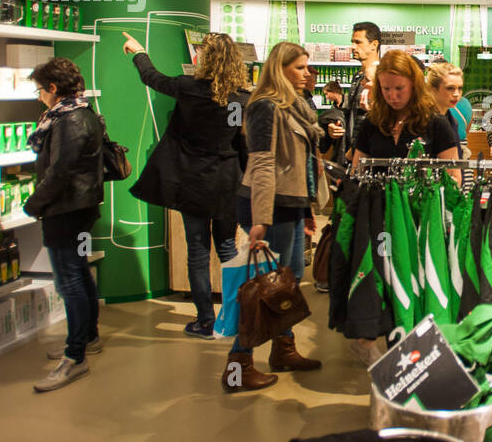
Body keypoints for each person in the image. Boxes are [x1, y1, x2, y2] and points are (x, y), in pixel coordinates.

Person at [123, 31, 249, 340]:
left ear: (204, 60)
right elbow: (241, 142)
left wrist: (139, 52)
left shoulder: (189, 88)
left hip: (192, 181)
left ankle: (205, 320)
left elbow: (152, 78)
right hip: (227, 180)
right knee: (228, 247)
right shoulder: (241, 99)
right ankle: (233, 318)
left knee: (197, 250)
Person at [350, 51, 461, 365]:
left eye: (399, 88)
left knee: (418, 281)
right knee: (384, 278)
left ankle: (418, 355)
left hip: (421, 221)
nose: (392, 95)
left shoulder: (436, 124)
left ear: (414, 85)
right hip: (379, 218)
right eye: (386, 89)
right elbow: (357, 167)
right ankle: (386, 346)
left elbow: (451, 175)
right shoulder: (373, 123)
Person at [228, 41, 325, 393]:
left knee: (291, 279)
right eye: (300, 67)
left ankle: (283, 350)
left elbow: (297, 165)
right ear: (279, 68)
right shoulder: (265, 108)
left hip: (291, 203)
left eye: (307, 67)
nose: (307, 73)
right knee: (265, 288)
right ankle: (238, 364)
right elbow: (264, 164)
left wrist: (307, 208)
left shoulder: (294, 108)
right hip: (270, 205)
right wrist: (261, 218)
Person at [23, 58, 104, 392]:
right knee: (79, 273)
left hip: (66, 209)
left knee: (69, 281)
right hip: (81, 207)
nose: (39, 96)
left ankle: (75, 356)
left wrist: (35, 202)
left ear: (53, 88)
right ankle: (88, 337)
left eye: (40, 89)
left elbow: (60, 171)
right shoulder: (84, 112)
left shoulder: (69, 120)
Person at [346, 21, 381, 150]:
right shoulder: (358, 76)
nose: (353, 47)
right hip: (352, 149)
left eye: (358, 42)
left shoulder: (381, 76)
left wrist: (355, 149)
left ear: (374, 45)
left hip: (368, 152)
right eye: (352, 42)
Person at [426, 61, 472, 150]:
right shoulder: (423, 120)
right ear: (433, 89)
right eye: (450, 88)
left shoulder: (451, 120)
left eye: (460, 88)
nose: (456, 94)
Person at [318, 80, 348, 165]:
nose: (326, 97)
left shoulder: (350, 103)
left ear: (334, 91)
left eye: (327, 94)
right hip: (340, 150)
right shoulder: (332, 110)